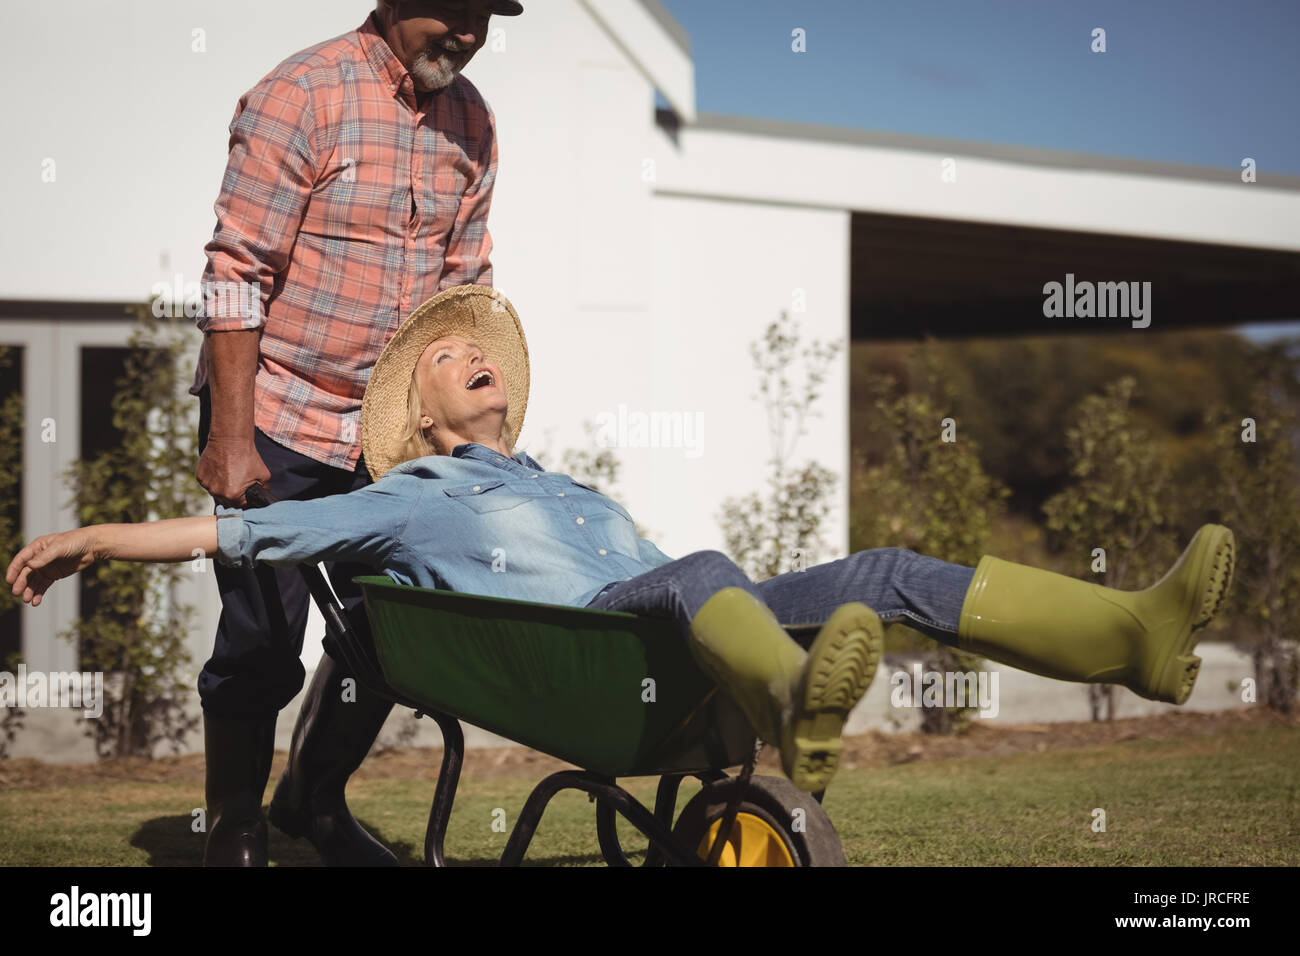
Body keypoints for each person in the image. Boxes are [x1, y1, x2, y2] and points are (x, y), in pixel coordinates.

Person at [8, 286, 1237, 853]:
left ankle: (1135, 634)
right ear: (419, 413)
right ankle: (794, 704)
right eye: (447, 355)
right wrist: (90, 537)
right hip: (599, 654)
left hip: (682, 627)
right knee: (702, 567)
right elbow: (240, 533)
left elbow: (680, 575)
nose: (471, 355)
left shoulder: (559, 480)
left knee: (883, 566)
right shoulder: (398, 500)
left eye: (478, 350)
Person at [189, 0, 524, 866]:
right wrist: (232, 436)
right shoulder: (303, 93)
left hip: (392, 427)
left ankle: (312, 799)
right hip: (279, 411)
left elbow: (464, 284)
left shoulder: (474, 120)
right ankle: (234, 820)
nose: (472, 32)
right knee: (263, 632)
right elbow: (237, 271)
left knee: (391, 626)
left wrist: (468, 434)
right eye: (457, 9)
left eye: (487, 16)